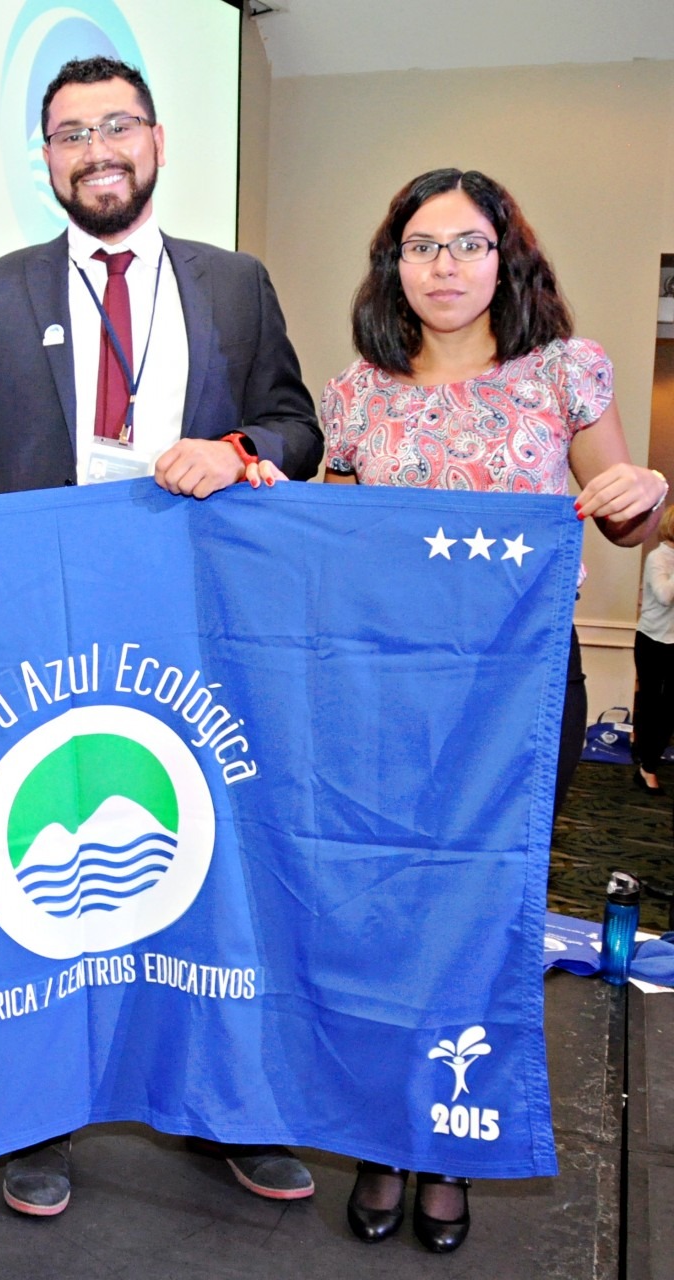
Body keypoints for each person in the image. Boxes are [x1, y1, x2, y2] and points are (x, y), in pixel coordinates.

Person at [0, 55, 323, 1217]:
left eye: (114, 125)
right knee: (52, 852)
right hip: (49, 631)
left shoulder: (234, 283)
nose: (95, 149)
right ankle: (43, 1108)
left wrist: (235, 452)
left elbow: (295, 424)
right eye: (69, 133)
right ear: (45, 159)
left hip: (200, 631)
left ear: (159, 141)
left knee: (210, 863)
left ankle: (231, 1106)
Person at [322, 167, 666, 1253]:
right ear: (393, 266)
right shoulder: (353, 392)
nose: (443, 266)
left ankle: (452, 1144)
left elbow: (624, 520)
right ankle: (383, 1134)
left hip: (517, 686)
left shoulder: (567, 372)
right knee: (383, 914)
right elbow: (328, 538)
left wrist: (646, 496)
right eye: (420, 246)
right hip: (385, 689)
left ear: (504, 255)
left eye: (466, 244)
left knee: (485, 919)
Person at [634, 505, 674, 793]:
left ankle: (648, 760)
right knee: (650, 702)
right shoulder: (657, 557)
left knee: (669, 707)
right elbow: (664, 596)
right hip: (652, 638)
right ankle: (646, 763)